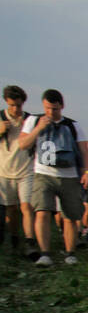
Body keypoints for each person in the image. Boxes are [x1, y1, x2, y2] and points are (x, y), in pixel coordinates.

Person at [16, 89, 88, 266]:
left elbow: (84, 151)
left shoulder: (73, 126)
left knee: (70, 216)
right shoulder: (33, 121)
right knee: (42, 212)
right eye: (48, 108)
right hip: (43, 173)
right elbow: (23, 144)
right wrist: (39, 128)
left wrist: (87, 172)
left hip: (69, 175)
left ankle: (70, 252)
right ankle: (45, 253)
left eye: (55, 109)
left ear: (62, 106)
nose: (51, 112)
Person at [0, 85, 35, 256]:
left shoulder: (29, 120)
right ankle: (14, 238)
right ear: (6, 102)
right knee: (11, 209)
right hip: (4, 171)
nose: (16, 109)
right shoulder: (0, 118)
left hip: (26, 170)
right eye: (12, 105)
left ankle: (30, 242)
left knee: (26, 206)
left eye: (19, 105)